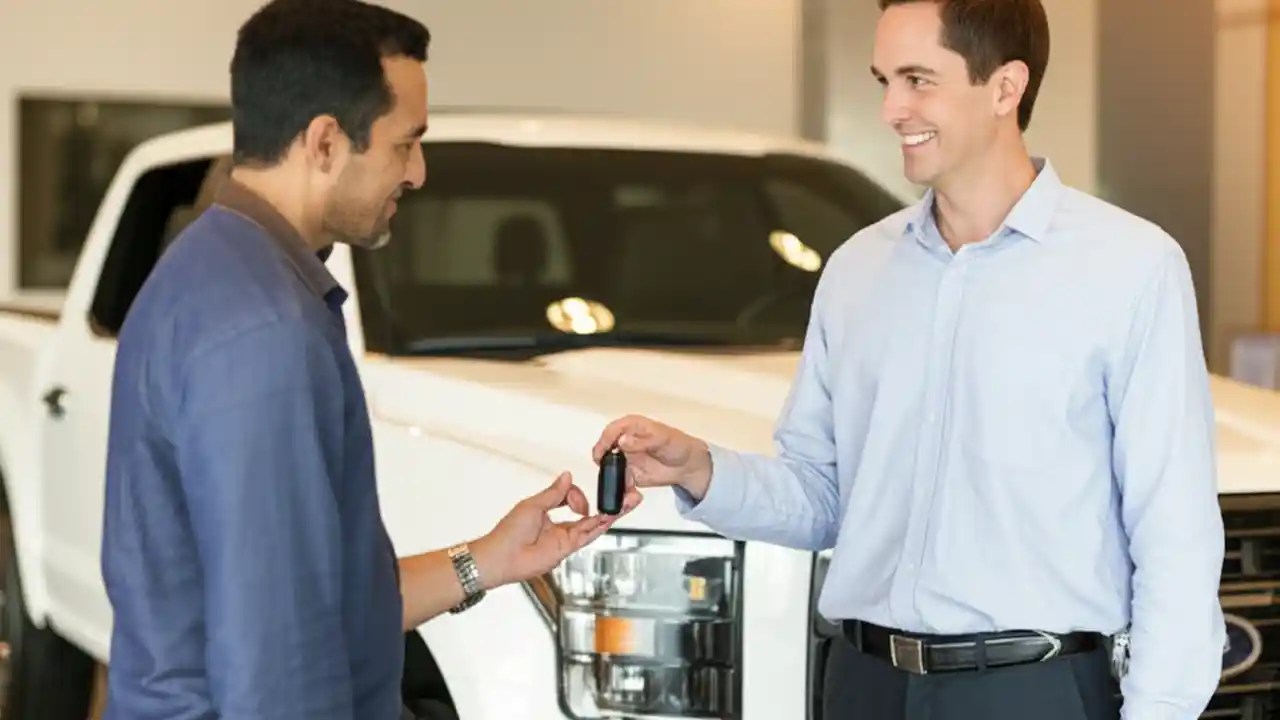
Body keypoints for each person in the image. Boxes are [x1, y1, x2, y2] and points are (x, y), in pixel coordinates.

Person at [593, 0, 1225, 718]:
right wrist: (702, 469)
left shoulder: (1131, 267)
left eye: (918, 79)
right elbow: (826, 497)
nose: (893, 109)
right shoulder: (858, 270)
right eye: (883, 80)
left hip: (1032, 692)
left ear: (1005, 88)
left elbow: (1173, 530)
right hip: (863, 685)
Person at [100, 1, 638, 718]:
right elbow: (278, 670)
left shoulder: (218, 271)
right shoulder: (261, 332)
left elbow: (325, 603)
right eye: (404, 143)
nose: (417, 172)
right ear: (325, 142)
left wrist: (489, 558)